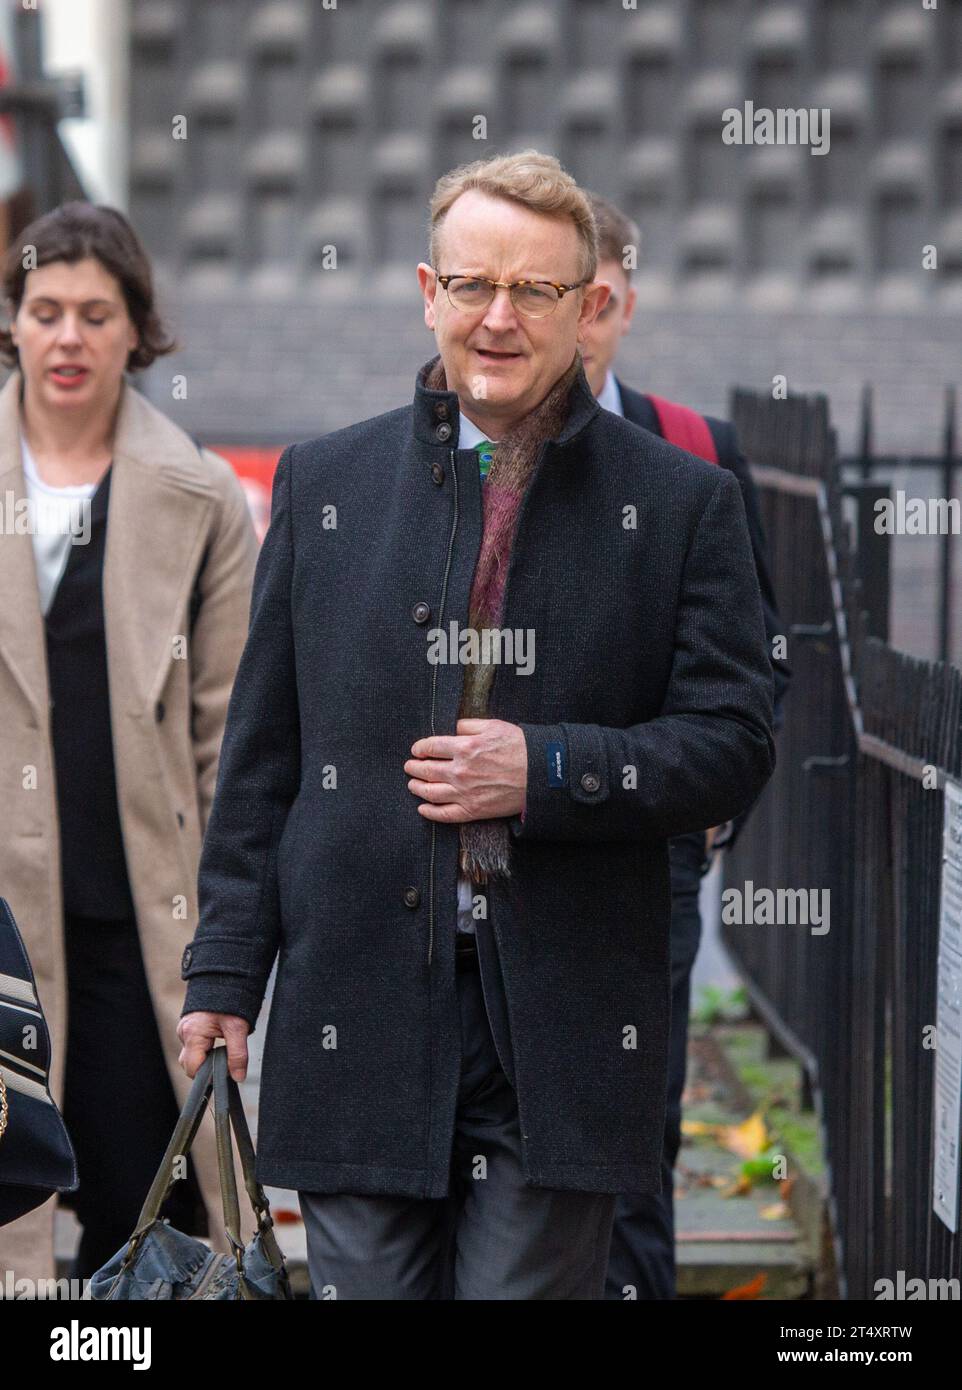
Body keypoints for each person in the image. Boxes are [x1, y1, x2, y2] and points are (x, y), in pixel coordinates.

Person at [178, 150, 775, 1301]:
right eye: (469, 285)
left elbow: (733, 739)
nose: (496, 318)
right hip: (358, 1000)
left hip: (557, 1017)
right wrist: (222, 971)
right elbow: (263, 763)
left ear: (588, 305)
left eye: (534, 292)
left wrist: (545, 767)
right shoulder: (325, 483)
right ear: (425, 290)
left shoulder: (685, 503)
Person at [0, 202, 258, 1286]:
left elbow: (232, 740)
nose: (68, 337)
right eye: (44, 310)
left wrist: (228, 943)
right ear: (11, 322)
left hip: (134, 927)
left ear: (136, 331)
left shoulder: (197, 496)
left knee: (135, 1206)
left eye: (95, 315)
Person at [579, 192, 791, 1300]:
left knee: (635, 1136)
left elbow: (757, 653)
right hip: (494, 858)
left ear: (622, 299)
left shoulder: (695, 449)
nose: (581, 322)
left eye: (600, 299)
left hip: (647, 852)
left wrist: (708, 819)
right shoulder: (463, 442)